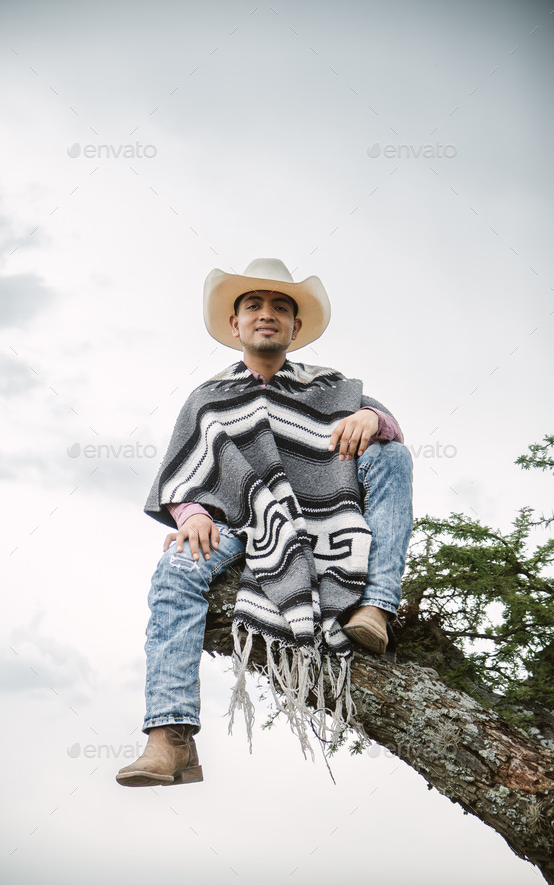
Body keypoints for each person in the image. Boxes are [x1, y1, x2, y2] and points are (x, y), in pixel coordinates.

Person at [116, 258, 413, 788]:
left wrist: (373, 418)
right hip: (242, 522)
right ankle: (171, 738)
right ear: (236, 325)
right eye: (253, 305)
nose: (267, 314)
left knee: (393, 457)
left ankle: (376, 606)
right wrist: (191, 515)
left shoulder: (332, 389)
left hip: (324, 518)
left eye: (281, 307)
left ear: (296, 327)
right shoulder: (209, 398)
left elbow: (389, 431)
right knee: (176, 568)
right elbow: (185, 476)